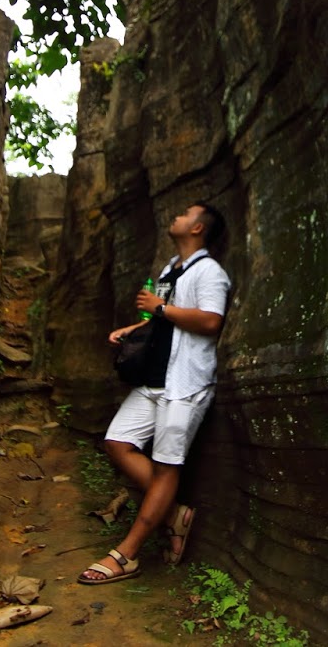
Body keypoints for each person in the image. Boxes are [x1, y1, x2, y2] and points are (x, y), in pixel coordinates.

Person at [77, 202, 231, 585]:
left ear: (197, 229)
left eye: (184, 214)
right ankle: (175, 513)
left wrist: (161, 307)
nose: (175, 217)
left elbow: (211, 320)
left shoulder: (210, 271)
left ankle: (126, 555)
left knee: (166, 466)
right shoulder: (168, 268)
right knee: (117, 441)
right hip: (154, 380)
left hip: (186, 383)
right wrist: (133, 328)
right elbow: (156, 319)